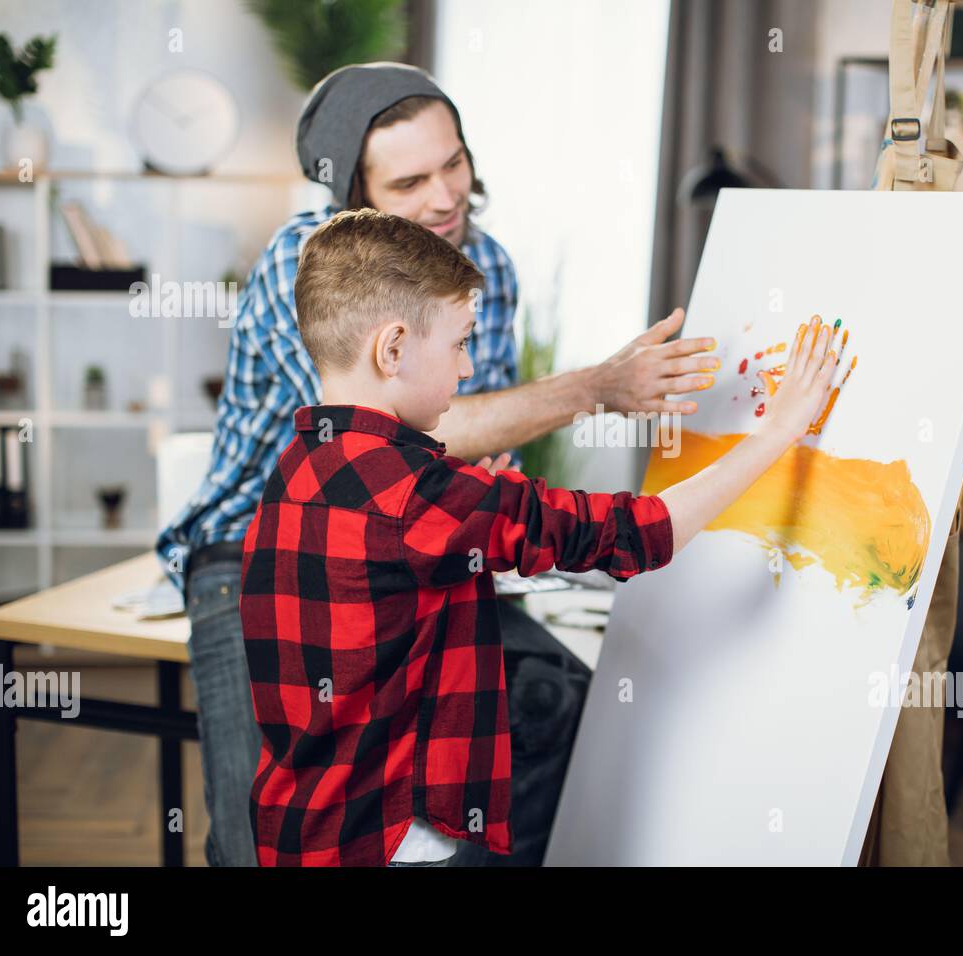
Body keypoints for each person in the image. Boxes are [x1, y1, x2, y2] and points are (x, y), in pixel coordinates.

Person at [155, 63, 719, 866]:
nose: (447, 195)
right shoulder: (307, 265)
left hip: (408, 544)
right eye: (411, 180)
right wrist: (595, 387)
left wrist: (511, 498)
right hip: (260, 553)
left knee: (558, 707)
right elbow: (392, 454)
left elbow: (465, 457)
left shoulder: (481, 263)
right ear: (353, 197)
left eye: (453, 162)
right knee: (264, 839)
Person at [239, 209, 841, 865]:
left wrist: (470, 537)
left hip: (297, 829)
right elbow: (639, 534)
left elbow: (371, 597)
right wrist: (778, 432)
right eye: (460, 342)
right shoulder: (419, 494)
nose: (467, 369)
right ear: (392, 348)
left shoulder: (301, 466)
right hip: (387, 847)